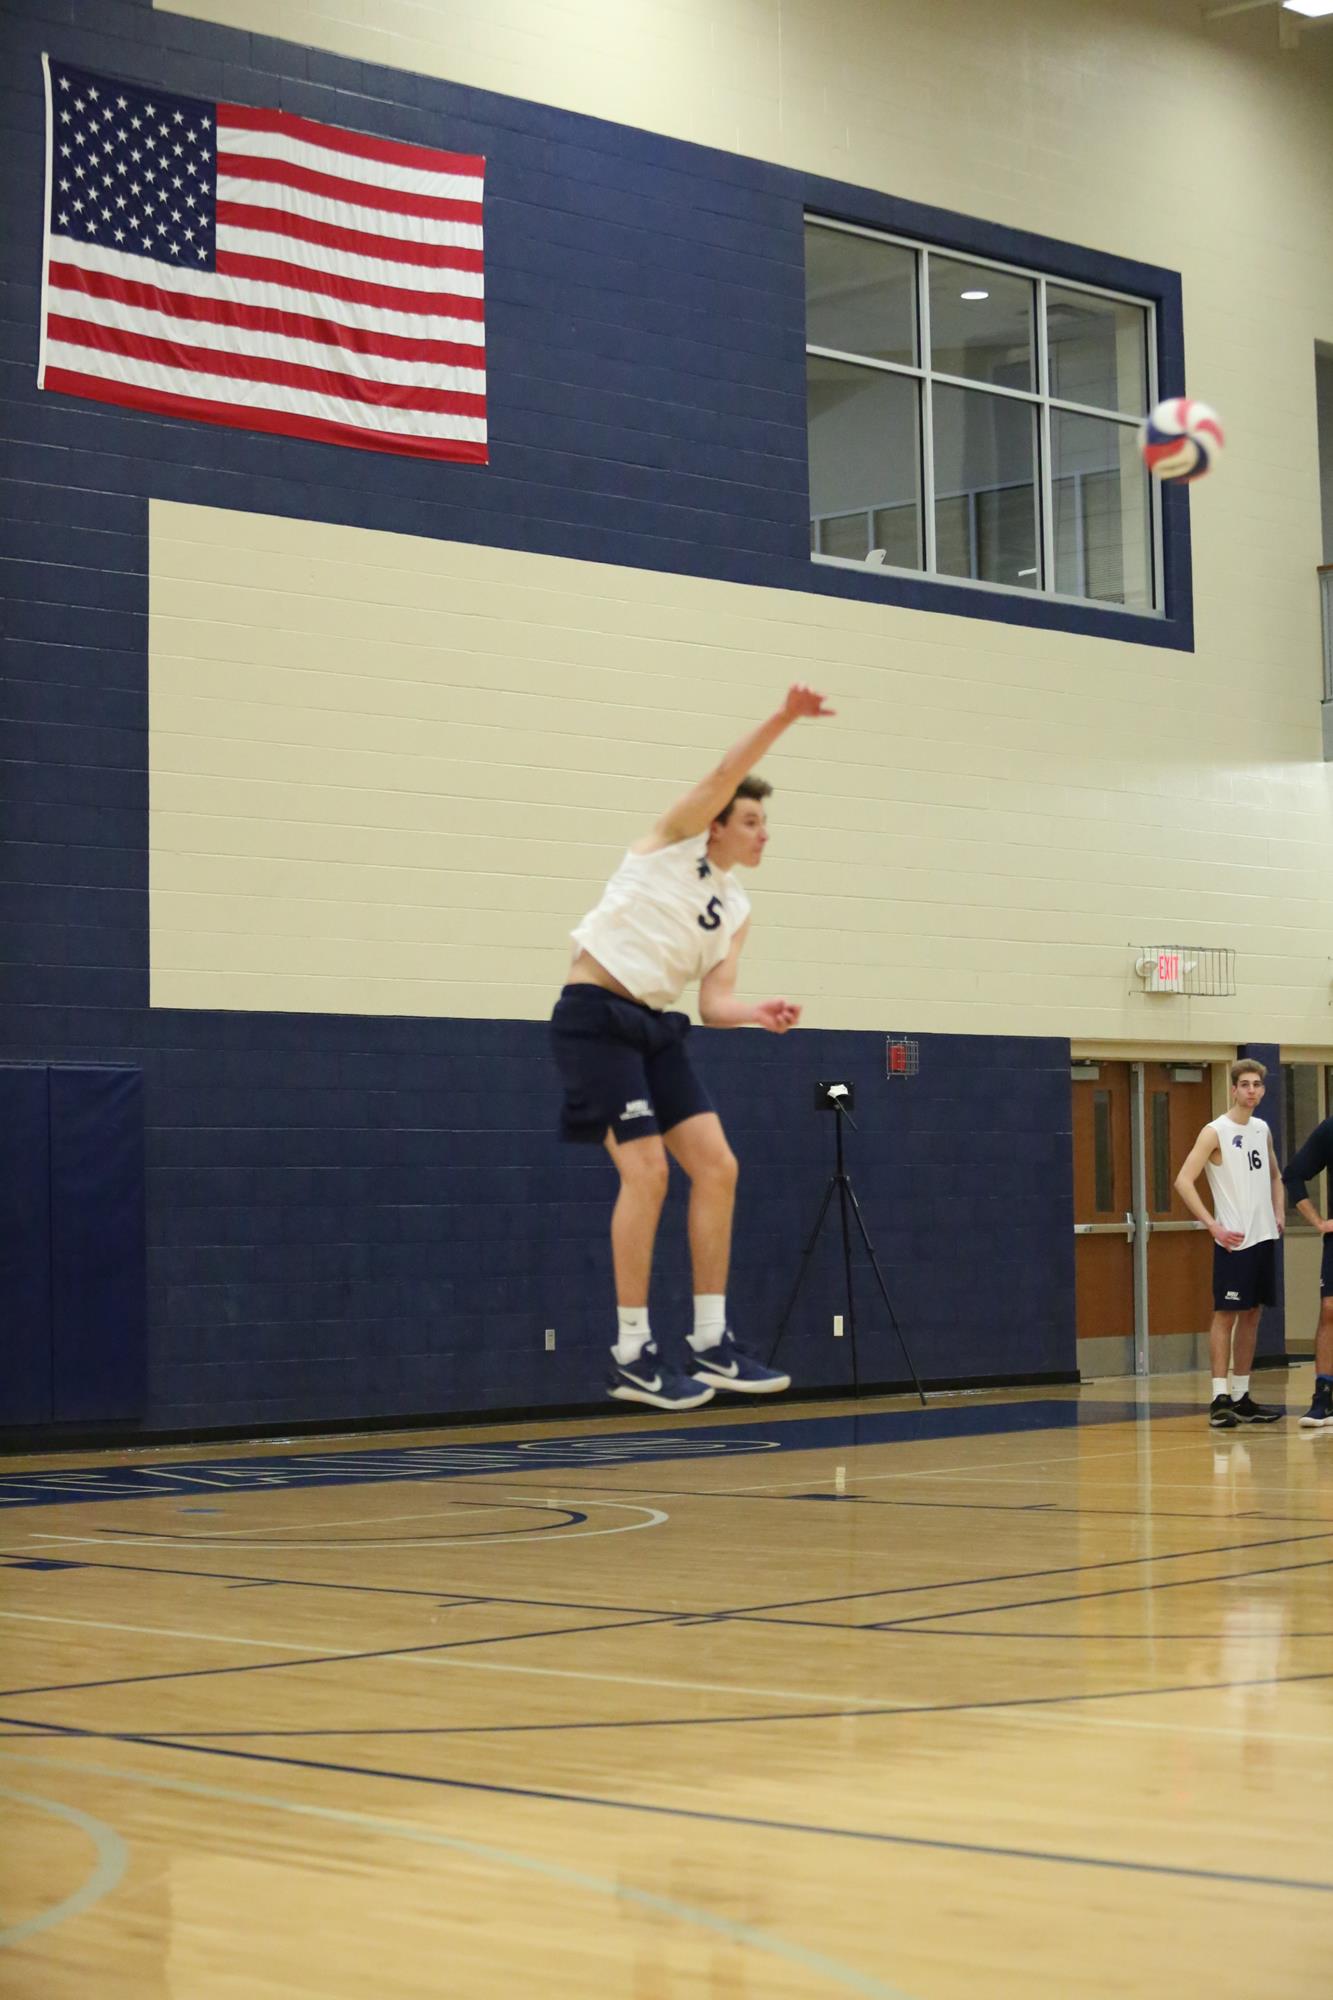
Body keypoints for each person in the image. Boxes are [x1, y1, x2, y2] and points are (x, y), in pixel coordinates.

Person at [550, 682, 834, 1410]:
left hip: (654, 1027)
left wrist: (755, 1010)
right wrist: (781, 717)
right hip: (594, 1015)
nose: (762, 833)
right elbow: (718, 776)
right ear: (715, 825)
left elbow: (710, 1006)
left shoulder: (735, 908)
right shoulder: (670, 844)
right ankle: (630, 1352)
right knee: (646, 1174)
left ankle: (710, 1342)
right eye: (749, 820)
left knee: (717, 1167)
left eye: (765, 823)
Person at [1173, 1059, 1286, 1428]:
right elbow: (1183, 1181)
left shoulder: (1262, 1129)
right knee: (1226, 1315)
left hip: (1264, 1236)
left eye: (1257, 1085)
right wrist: (1212, 1226)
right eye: (1245, 1084)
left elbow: (1274, 1176)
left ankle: (1242, 1395)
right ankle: (1218, 1397)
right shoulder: (1215, 1131)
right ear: (1233, 1089)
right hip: (1234, 1240)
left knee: (1253, 1315)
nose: (1252, 1090)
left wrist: (1278, 1213)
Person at [1281, 1110, 1333, 1427]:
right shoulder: (1330, 1129)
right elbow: (1294, 1173)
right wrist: (1318, 1222)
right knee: (1329, 1310)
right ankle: (1324, 1396)